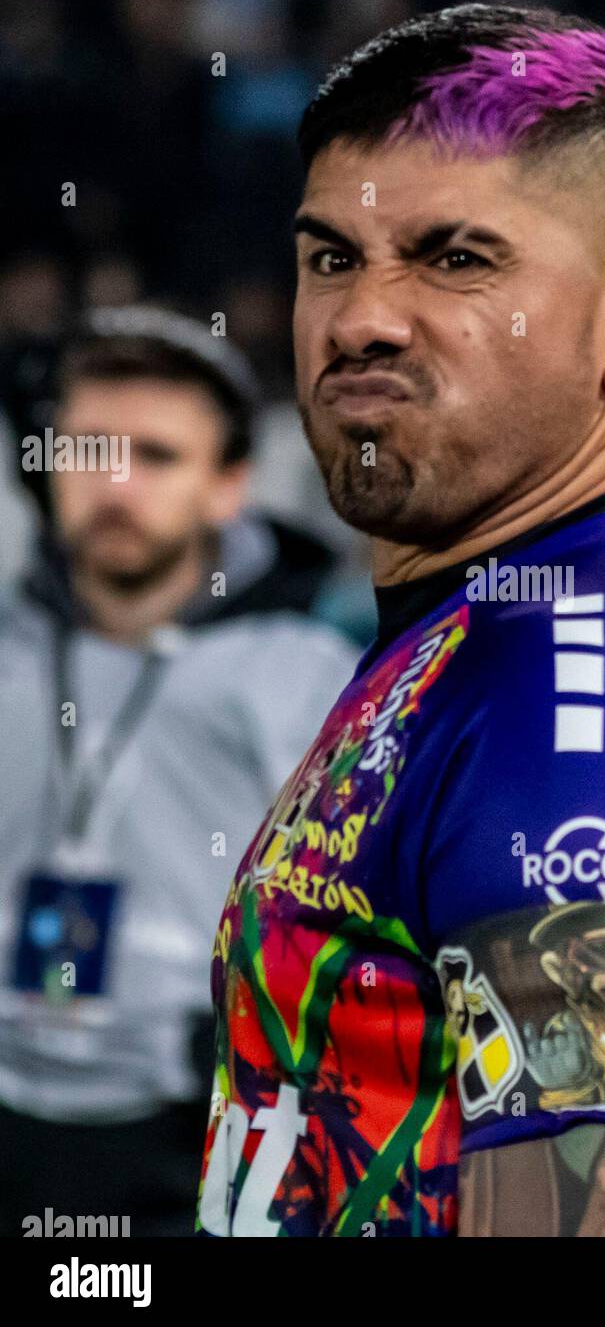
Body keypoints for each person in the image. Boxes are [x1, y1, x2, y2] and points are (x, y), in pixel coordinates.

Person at [196, 4, 605, 1239]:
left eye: (456, 259)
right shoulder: (488, 624)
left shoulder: (588, 697)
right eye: (331, 257)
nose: (362, 319)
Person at [0, 306, 359, 1236]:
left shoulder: (304, 675)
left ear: (228, 484)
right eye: (87, 451)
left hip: (193, 1143)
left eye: (156, 456)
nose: (114, 484)